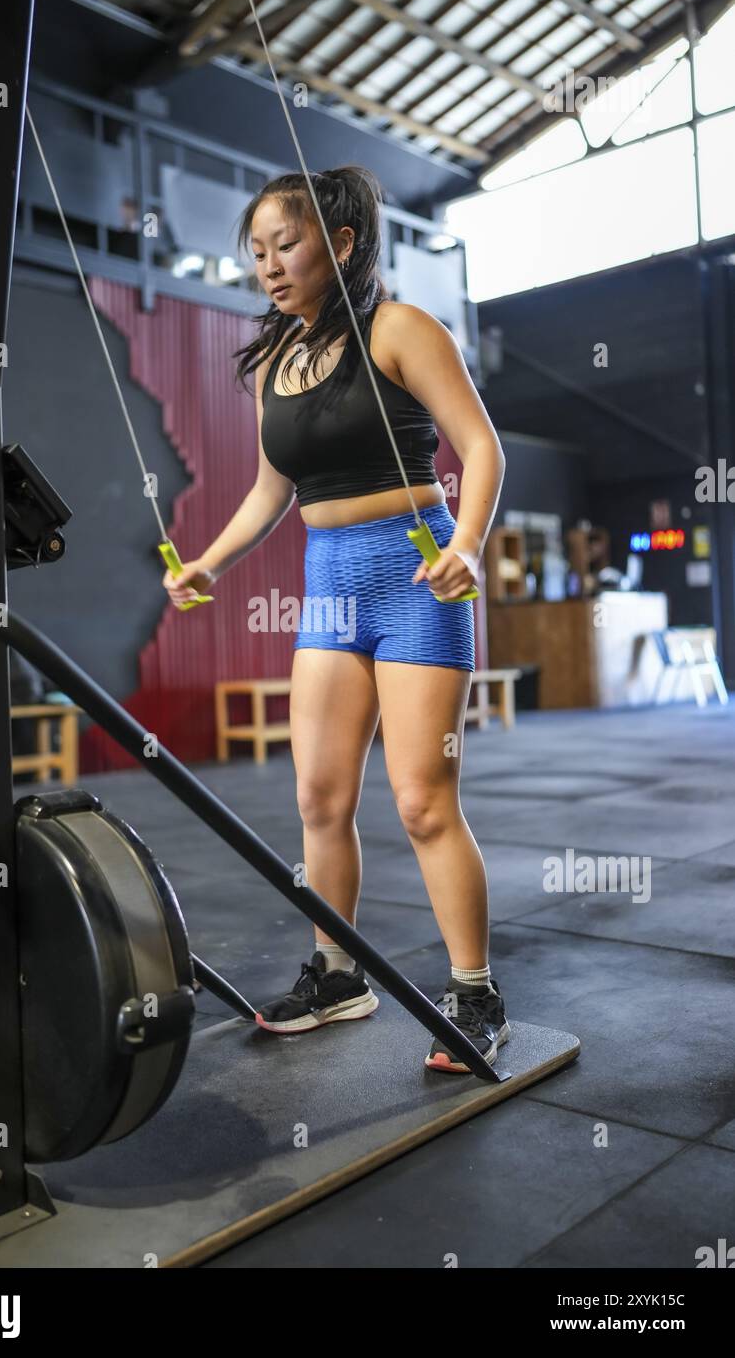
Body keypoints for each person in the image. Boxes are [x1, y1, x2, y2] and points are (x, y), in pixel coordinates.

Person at [160, 165, 508, 1071]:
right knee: (319, 795)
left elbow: (480, 446)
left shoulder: (401, 330)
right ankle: (338, 974)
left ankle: (475, 995)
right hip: (330, 582)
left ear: (342, 245)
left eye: (289, 245)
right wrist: (209, 561)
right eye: (260, 252)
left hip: (418, 569)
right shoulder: (276, 361)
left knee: (425, 802)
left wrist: (467, 544)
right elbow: (272, 489)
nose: (270, 266)